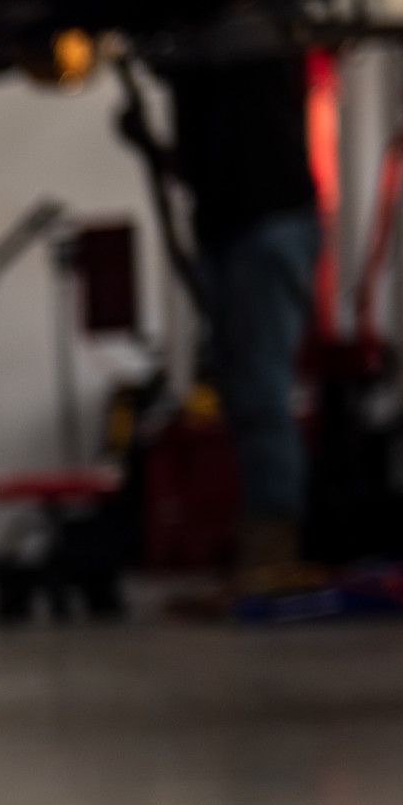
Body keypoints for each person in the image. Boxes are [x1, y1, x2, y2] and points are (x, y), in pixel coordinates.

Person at [126, 47, 323, 578]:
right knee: (241, 393)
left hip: (266, 225)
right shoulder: (197, 72)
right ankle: (263, 541)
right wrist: (151, 147)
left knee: (260, 391)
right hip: (231, 230)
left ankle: (274, 548)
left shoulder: (239, 45)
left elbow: (238, 152)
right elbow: (203, 167)